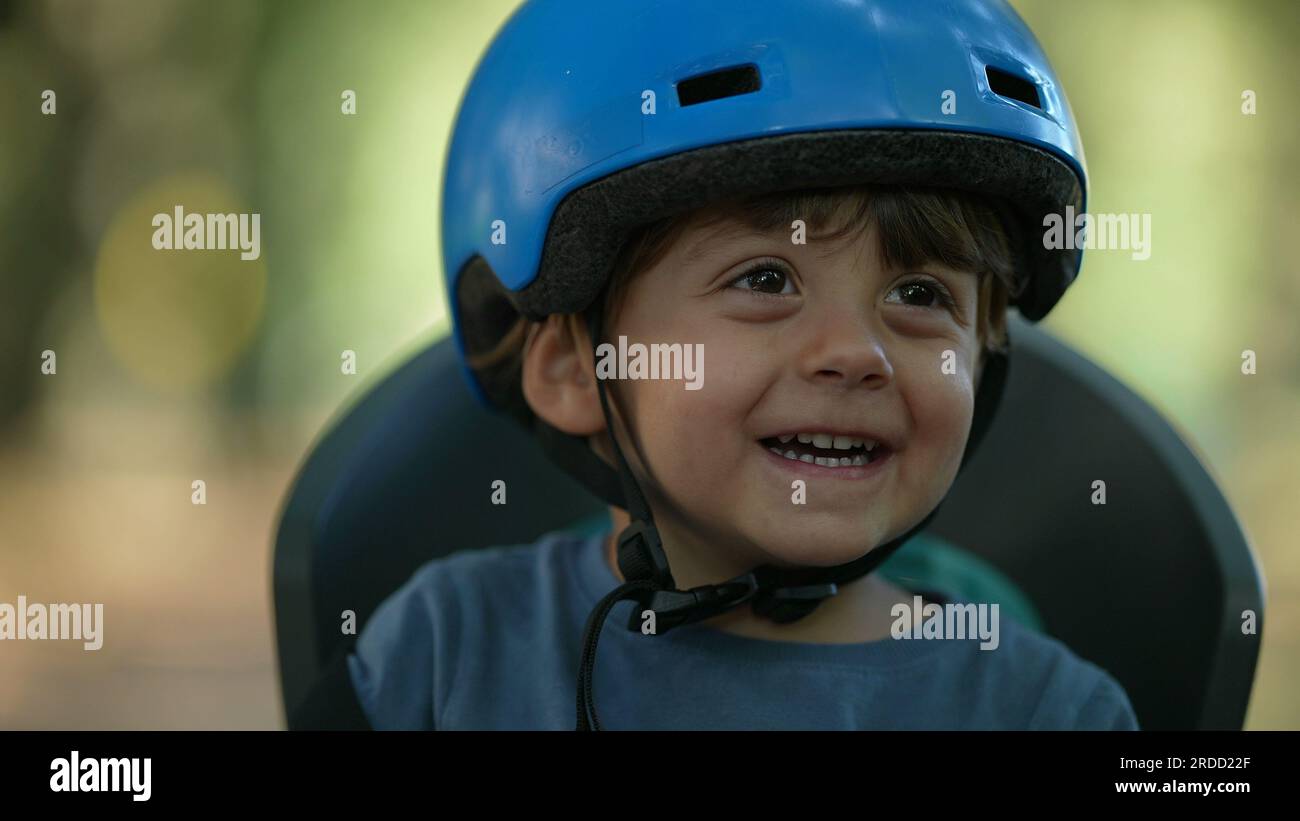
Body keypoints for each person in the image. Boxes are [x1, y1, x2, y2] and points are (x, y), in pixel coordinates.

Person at [335, 0, 1139, 730]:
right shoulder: (442, 657)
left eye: (921, 292)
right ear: (576, 370)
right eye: (765, 280)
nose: (855, 353)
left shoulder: (1049, 712)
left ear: (984, 352)